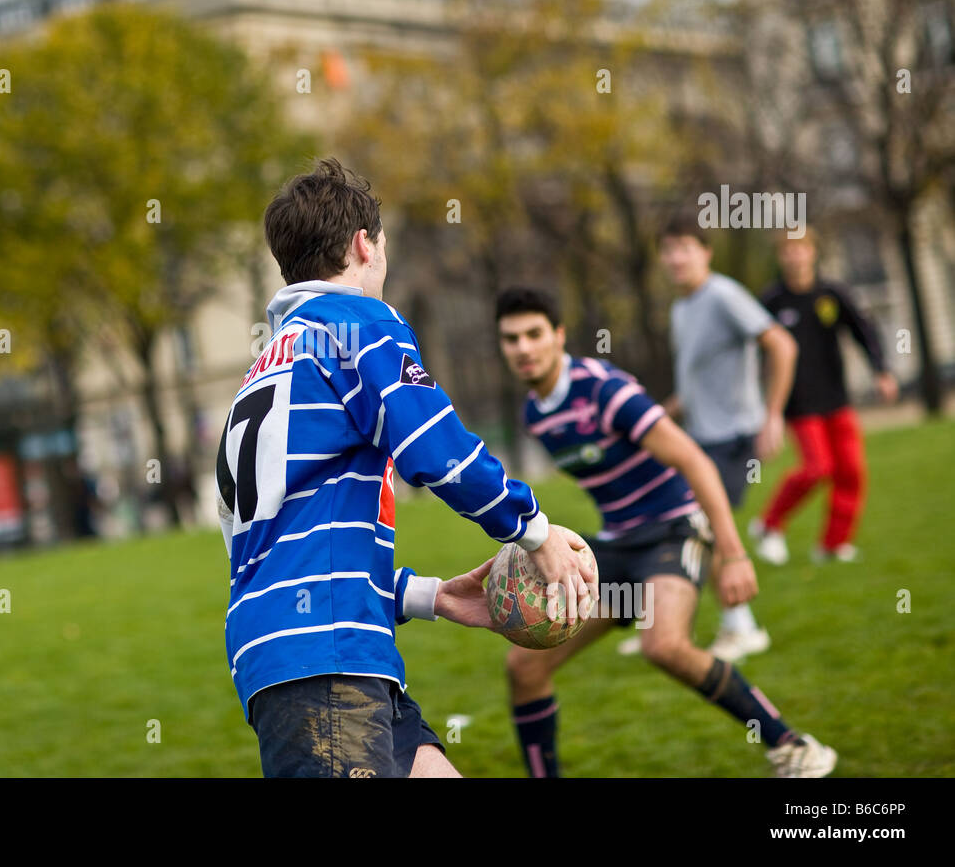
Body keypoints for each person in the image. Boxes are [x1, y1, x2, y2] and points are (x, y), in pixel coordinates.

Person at [217, 158, 596, 778]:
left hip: (309, 652)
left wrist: (431, 596)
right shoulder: (359, 324)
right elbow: (436, 450)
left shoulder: (265, 370)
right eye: (384, 241)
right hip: (327, 662)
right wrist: (533, 530)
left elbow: (265, 551)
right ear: (364, 244)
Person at [496, 286, 837, 777]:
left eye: (534, 334)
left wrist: (734, 554)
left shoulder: (602, 390)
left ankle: (792, 744)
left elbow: (695, 461)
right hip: (616, 546)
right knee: (524, 667)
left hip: (674, 530)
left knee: (664, 645)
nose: (524, 348)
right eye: (511, 339)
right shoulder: (535, 413)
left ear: (559, 336)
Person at [658, 219, 798, 662]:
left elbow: (782, 345)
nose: (676, 258)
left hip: (734, 437)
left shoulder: (723, 295)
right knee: (688, 526)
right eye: (668, 249)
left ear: (706, 252)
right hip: (700, 439)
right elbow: (695, 383)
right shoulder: (682, 308)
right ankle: (672, 627)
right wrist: (657, 415)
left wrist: (773, 416)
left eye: (684, 247)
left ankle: (741, 628)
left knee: (708, 528)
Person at [752, 228, 897, 563]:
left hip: (836, 397)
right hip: (799, 403)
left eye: (800, 248)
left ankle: (832, 545)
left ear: (812, 252)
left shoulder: (832, 294)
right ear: (781, 256)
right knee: (817, 468)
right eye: (788, 250)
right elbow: (754, 351)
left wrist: (881, 370)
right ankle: (769, 523)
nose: (795, 256)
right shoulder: (772, 301)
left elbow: (864, 331)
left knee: (850, 471)